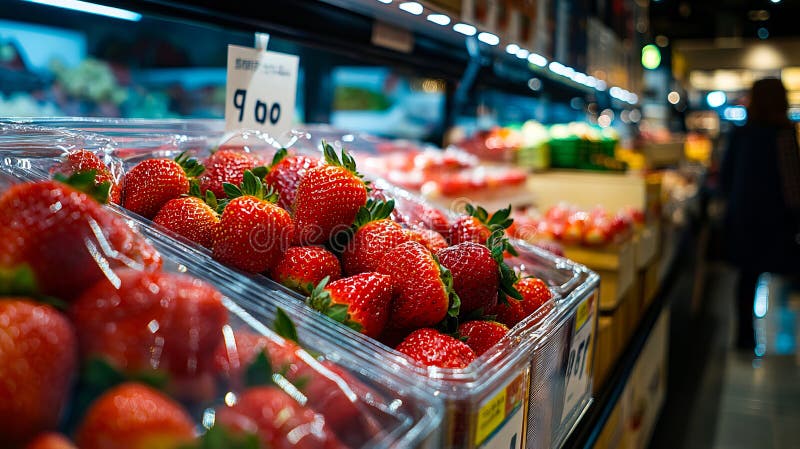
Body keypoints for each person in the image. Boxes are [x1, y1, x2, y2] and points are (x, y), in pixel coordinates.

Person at [721, 78, 800, 350]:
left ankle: (744, 337)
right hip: (777, 220)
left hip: (744, 218)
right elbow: (792, 184)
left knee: (746, 278)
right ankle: (788, 337)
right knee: (786, 273)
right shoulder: (784, 134)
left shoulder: (740, 133)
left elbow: (725, 179)